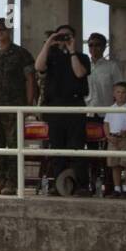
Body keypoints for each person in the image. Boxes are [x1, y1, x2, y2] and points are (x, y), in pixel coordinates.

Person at [0, 17, 35, 195]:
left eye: (3, 30)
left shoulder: (21, 54)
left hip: (14, 107)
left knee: (13, 145)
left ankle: (12, 182)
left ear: (9, 31)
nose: (0, 33)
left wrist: (28, 105)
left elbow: (30, 80)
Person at [34, 25, 91, 194]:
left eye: (68, 36)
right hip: (55, 106)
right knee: (57, 148)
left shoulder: (82, 57)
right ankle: (58, 185)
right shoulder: (51, 56)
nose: (64, 39)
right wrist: (50, 42)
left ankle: (81, 185)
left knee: (76, 147)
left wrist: (72, 50)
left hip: (75, 105)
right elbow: (39, 66)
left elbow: (80, 73)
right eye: (62, 36)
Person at [85, 32, 121, 195]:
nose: (93, 48)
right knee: (91, 153)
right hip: (88, 113)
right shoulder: (83, 64)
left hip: (107, 115)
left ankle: (109, 186)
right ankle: (91, 183)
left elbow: (119, 89)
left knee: (109, 153)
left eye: (97, 44)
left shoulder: (111, 66)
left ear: (104, 47)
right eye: (90, 44)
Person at [103, 82, 126, 198]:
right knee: (115, 164)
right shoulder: (110, 108)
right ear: (114, 94)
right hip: (113, 138)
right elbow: (106, 123)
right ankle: (117, 188)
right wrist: (108, 136)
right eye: (118, 92)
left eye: (123, 92)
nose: (120, 95)